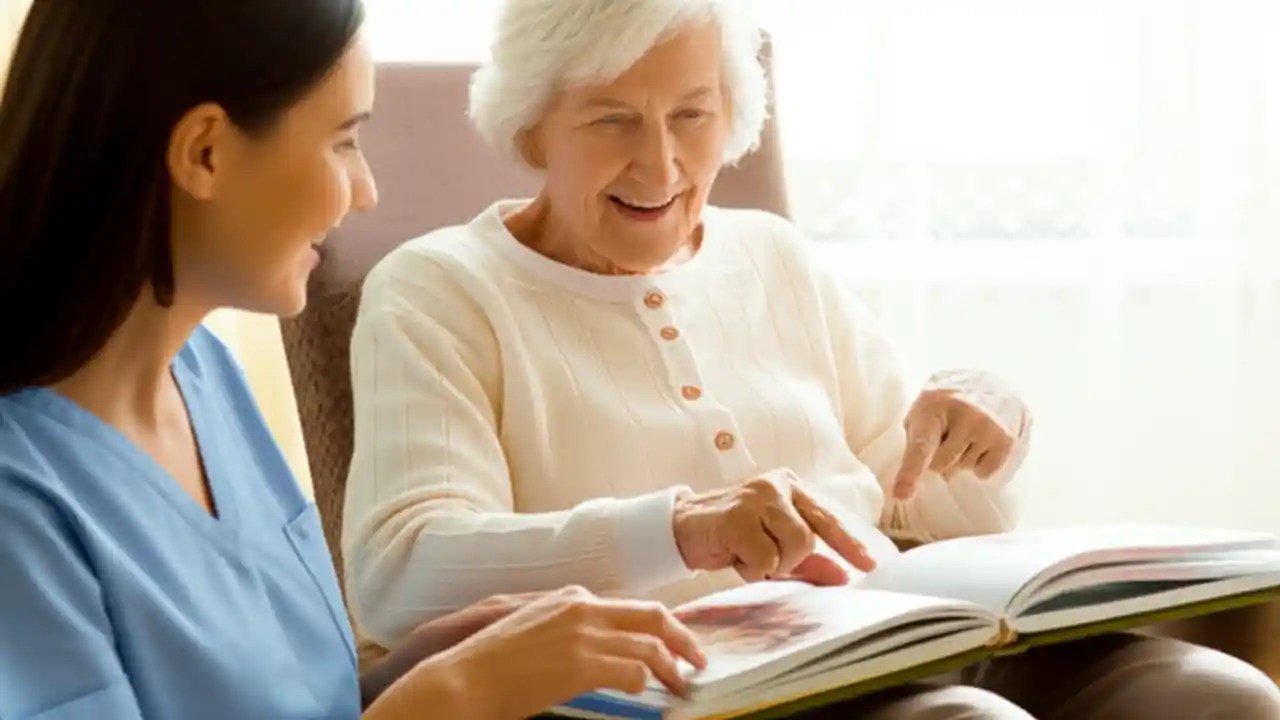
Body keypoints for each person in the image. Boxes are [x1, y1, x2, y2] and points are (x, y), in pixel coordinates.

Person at [342, 0, 1280, 717]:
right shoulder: (441, 290)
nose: (661, 165)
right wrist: (680, 530)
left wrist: (980, 435)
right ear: (532, 124)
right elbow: (401, 571)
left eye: (692, 115)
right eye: (611, 120)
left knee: (1222, 697)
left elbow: (927, 502)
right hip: (703, 690)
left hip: (899, 634)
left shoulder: (772, 257)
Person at [0, 2, 709, 719]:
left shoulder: (204, 378)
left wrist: (426, 664)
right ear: (205, 152)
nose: (367, 192)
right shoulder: (19, 502)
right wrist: (455, 696)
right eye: (344, 143)